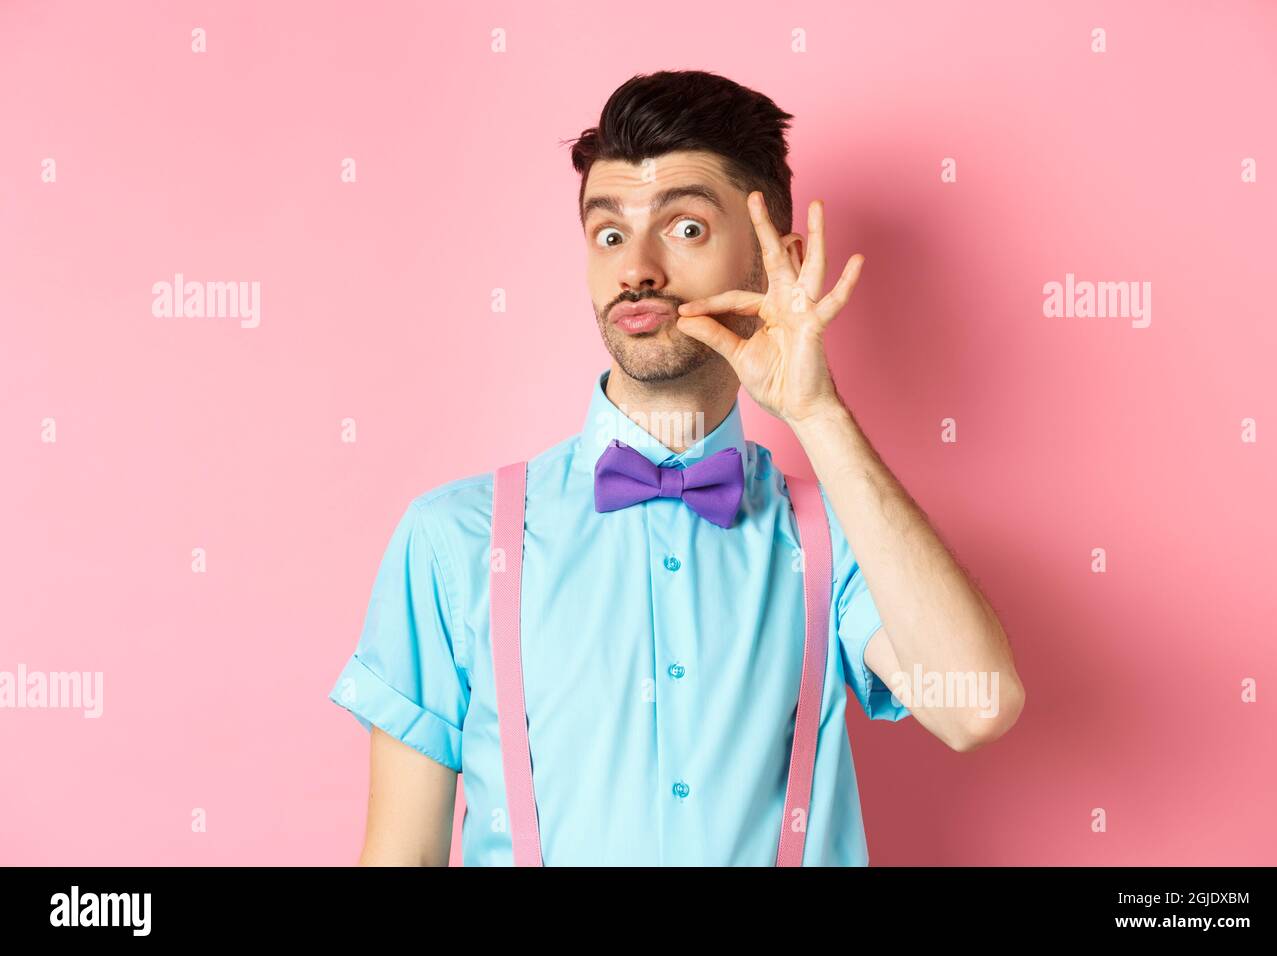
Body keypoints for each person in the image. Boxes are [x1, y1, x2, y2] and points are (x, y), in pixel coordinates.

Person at [328, 69, 1024, 866]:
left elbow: (979, 709)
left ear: (779, 262)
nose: (637, 269)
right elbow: (402, 858)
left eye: (686, 228)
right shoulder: (454, 541)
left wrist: (816, 413)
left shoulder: (837, 537)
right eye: (610, 234)